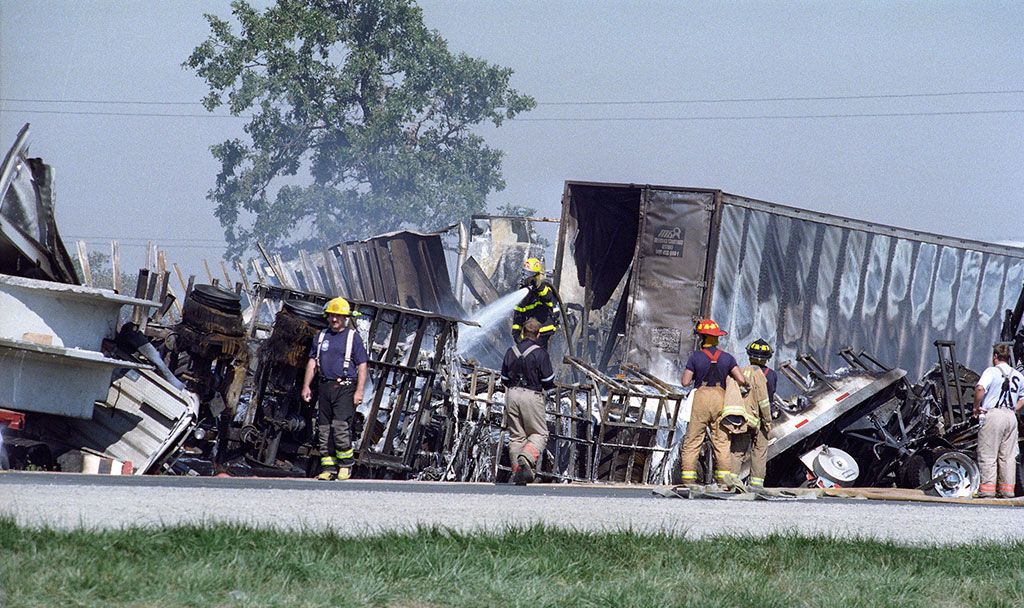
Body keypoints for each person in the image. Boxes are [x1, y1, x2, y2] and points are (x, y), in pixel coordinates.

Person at [301, 297, 368, 481]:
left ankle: (345, 466)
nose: (335, 319)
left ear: (345, 318)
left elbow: (362, 365)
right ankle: (328, 468)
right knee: (323, 429)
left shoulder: (352, 338)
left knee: (340, 426)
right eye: (332, 316)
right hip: (325, 386)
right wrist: (306, 386)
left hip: (346, 387)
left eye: (338, 316)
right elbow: (312, 362)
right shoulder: (321, 337)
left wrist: (359, 391)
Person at [678, 319, 750, 487]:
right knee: (722, 442)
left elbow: (685, 382)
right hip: (720, 398)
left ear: (702, 338)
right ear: (716, 338)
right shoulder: (727, 358)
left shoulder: (695, 357)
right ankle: (723, 481)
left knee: (693, 440)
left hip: (701, 398)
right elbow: (740, 379)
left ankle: (688, 480)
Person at [501, 317, 556, 485]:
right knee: (539, 433)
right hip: (531, 395)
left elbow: (504, 378)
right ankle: (526, 457)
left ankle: (519, 472)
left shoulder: (511, 351)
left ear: (523, 333)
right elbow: (548, 381)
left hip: (512, 394)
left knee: (516, 436)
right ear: (538, 334)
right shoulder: (541, 353)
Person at [721, 339, 776, 488]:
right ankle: (756, 485)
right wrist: (767, 421)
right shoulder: (770, 375)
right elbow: (766, 401)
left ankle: (730, 483)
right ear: (768, 358)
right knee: (759, 452)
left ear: (749, 355)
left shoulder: (740, 371)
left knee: (737, 451)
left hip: (742, 419)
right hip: (760, 419)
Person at [973, 343, 1024, 498]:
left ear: (995, 356)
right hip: (1011, 417)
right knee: (1008, 457)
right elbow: (1023, 397)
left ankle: (987, 491)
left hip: (994, 414)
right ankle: (1007, 491)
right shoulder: (1018, 375)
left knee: (988, 454)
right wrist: (1014, 409)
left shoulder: (992, 371)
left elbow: (980, 388)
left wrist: (976, 407)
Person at [512, 258, 562, 349]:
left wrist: (538, 286)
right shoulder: (523, 292)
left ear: (536, 275)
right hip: (530, 332)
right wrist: (516, 332)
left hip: (544, 330)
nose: (525, 277)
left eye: (529, 275)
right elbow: (518, 313)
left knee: (537, 356)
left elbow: (548, 299)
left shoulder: (544, 288)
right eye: (524, 273)